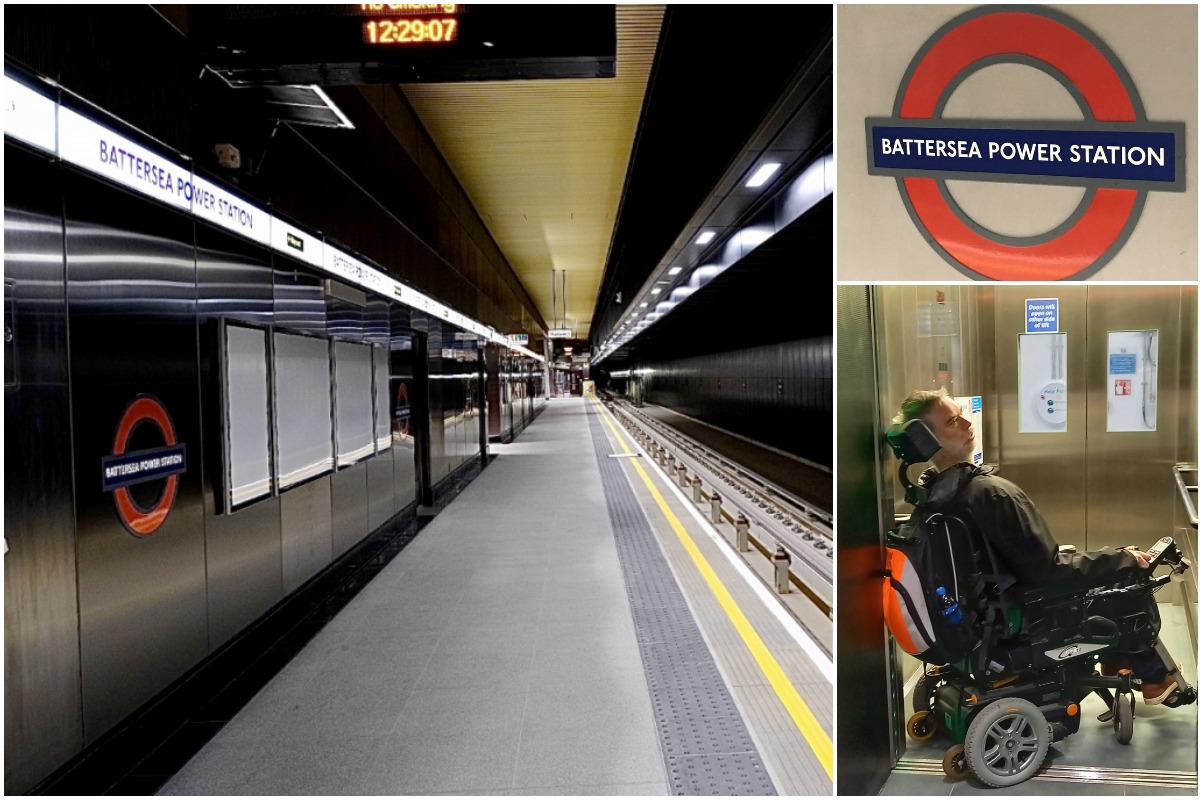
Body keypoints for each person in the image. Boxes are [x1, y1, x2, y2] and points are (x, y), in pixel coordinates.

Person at [895, 388, 1182, 706]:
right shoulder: (992, 494)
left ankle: (1118, 662)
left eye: (960, 412)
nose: (965, 421)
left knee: (1111, 564)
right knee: (1128, 581)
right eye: (952, 420)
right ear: (928, 440)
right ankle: (1155, 678)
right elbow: (1049, 571)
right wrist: (1123, 559)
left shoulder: (932, 495)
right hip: (1017, 618)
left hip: (977, 613)